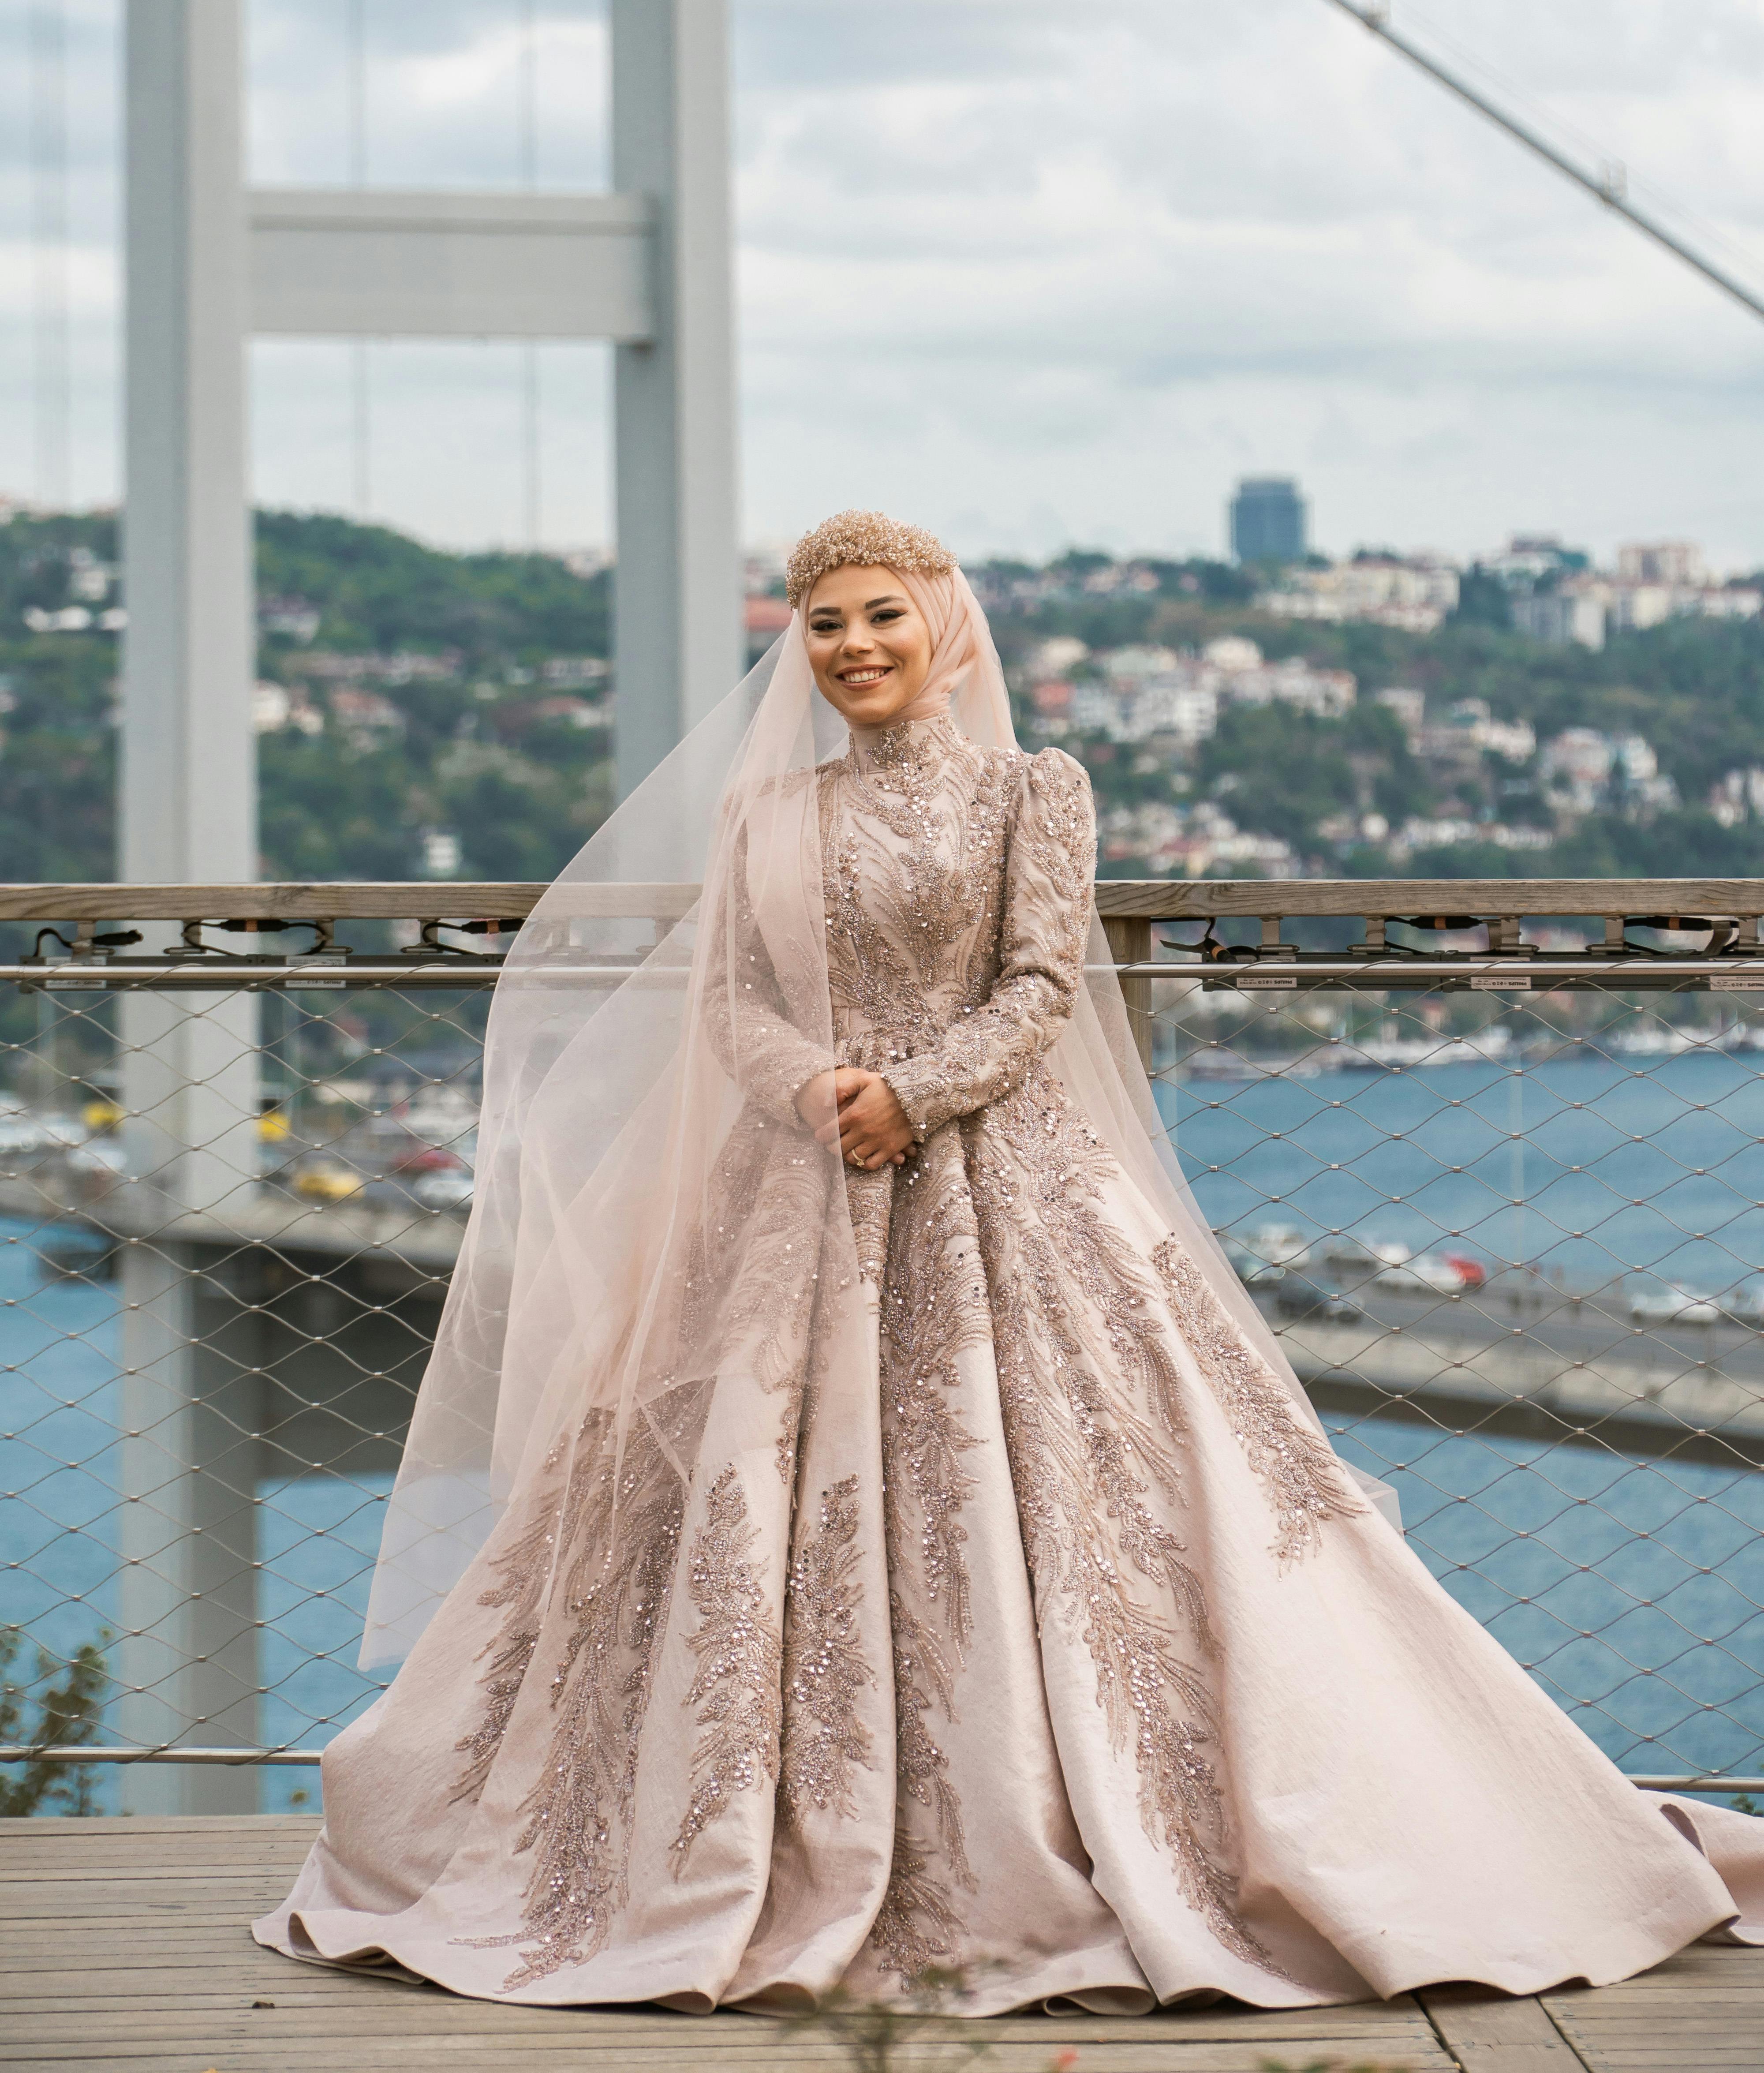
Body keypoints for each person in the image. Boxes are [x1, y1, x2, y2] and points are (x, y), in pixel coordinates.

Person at [258, 509, 1764, 2015]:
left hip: (1008, 1187)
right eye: (825, 624)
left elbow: (1044, 985)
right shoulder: (763, 813)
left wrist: (910, 1095)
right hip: (792, 1192)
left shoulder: (1035, 791)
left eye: (882, 618)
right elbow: (731, 1003)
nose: (854, 647)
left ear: (946, 629)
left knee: (1102, 1495)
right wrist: (813, 1093)